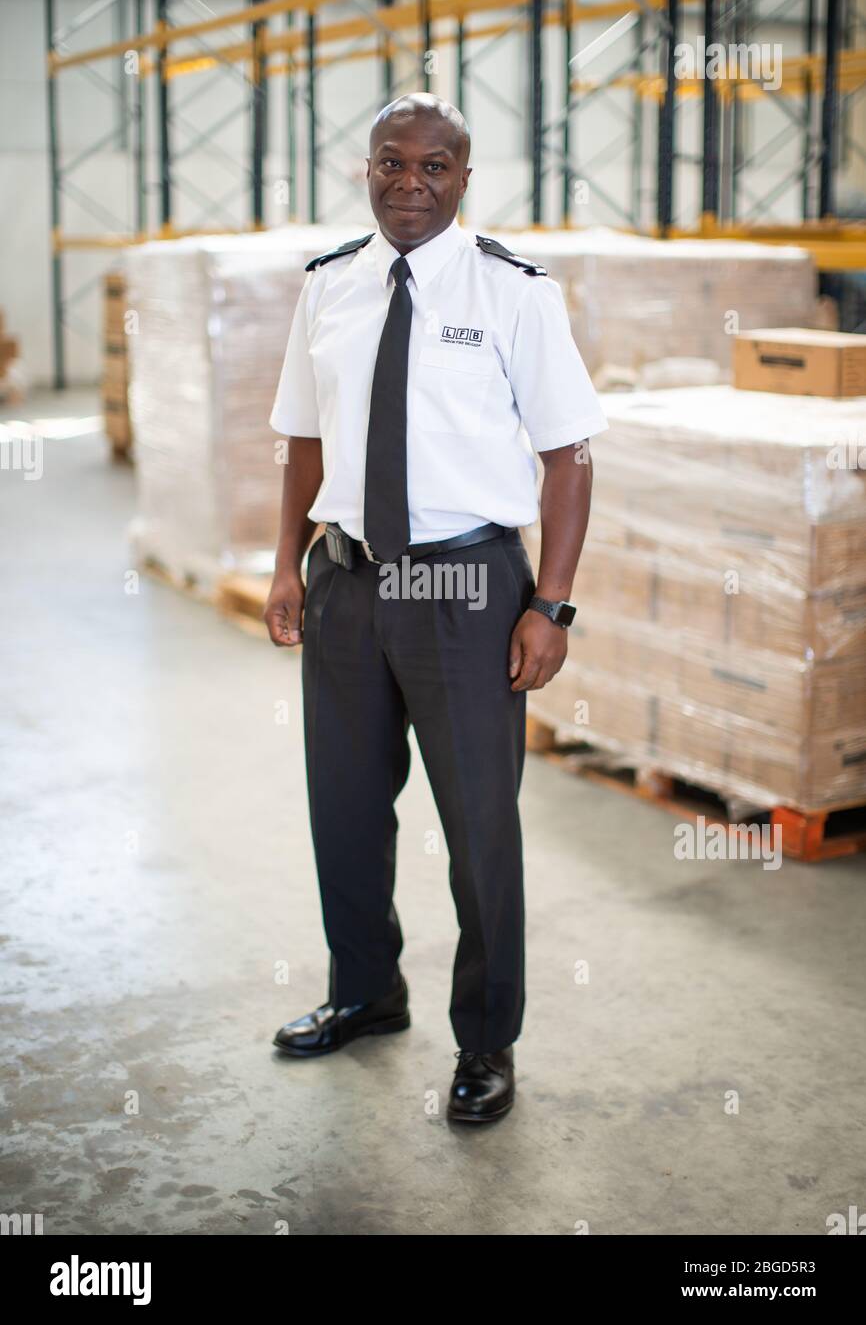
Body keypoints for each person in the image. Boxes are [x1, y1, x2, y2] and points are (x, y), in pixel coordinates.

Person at [264, 92, 607, 1123]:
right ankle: (366, 991)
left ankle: (487, 1040)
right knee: (346, 809)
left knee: (477, 828)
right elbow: (302, 439)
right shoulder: (328, 287)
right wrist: (286, 563)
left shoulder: (513, 292)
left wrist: (550, 602)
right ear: (365, 168)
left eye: (432, 168)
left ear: (464, 177)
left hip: (462, 587)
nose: (407, 186)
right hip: (346, 581)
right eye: (388, 164)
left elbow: (568, 454)